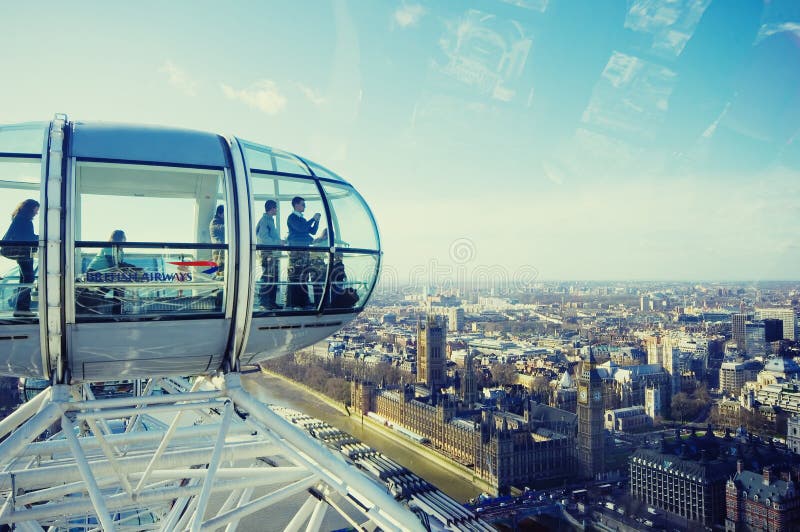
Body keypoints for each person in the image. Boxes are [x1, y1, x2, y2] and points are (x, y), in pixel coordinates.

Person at [2, 199, 39, 317]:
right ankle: (22, 309)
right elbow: (26, 237)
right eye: (36, 209)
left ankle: (20, 308)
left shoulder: (18, 218)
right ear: (30, 208)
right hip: (24, 253)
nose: (37, 212)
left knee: (24, 279)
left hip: (22, 253)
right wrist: (40, 237)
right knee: (29, 278)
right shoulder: (25, 221)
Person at [286, 196, 321, 308]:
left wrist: (316, 221)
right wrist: (312, 219)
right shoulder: (292, 218)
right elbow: (301, 228)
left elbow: (313, 231)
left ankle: (303, 301)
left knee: (304, 275)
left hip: (304, 251)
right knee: (297, 276)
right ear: (296, 205)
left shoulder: (302, 219)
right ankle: (296, 302)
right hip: (297, 252)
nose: (305, 207)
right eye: (303, 204)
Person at [255, 199, 282, 309]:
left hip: (272, 253)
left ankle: (271, 302)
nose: (277, 210)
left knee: (273, 277)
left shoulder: (270, 220)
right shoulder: (265, 220)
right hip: (268, 254)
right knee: (268, 277)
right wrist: (278, 242)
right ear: (272, 208)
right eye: (276, 207)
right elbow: (263, 238)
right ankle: (265, 303)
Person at [209, 205, 225, 277]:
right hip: (218, 253)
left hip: (221, 252)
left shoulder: (220, 222)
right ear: (219, 214)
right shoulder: (214, 222)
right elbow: (224, 229)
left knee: (221, 273)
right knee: (219, 272)